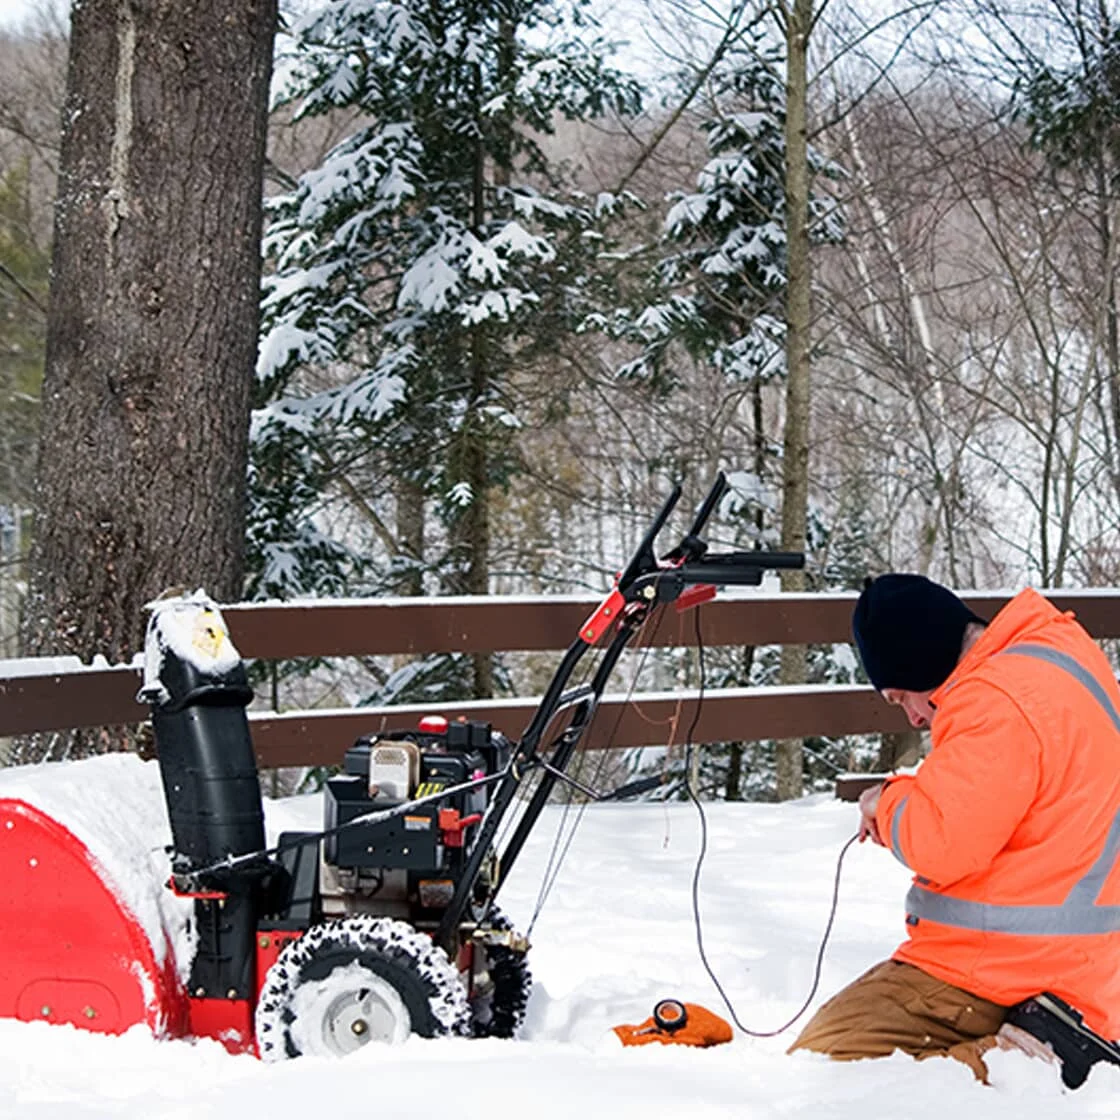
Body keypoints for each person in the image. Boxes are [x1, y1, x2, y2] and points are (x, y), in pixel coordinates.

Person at [788, 574, 1120, 1087]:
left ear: (921, 660)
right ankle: (1029, 1049)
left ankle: (1032, 1058)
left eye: (901, 698)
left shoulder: (993, 701)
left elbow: (944, 844)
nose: (915, 717)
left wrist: (887, 800)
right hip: (1087, 960)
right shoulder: (1055, 654)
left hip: (1009, 968)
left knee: (825, 1064)